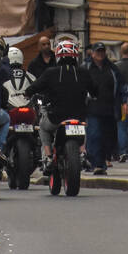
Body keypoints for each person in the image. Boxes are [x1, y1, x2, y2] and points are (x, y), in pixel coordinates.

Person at [26, 37, 92, 172]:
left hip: (56, 117)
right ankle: (82, 152)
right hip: (79, 117)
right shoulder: (84, 72)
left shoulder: (51, 72)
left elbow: (34, 87)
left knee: (43, 128)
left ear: (58, 56)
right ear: (75, 56)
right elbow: (95, 90)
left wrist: (27, 93)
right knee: (83, 127)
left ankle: (49, 156)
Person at [84, 42, 122, 174]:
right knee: (94, 135)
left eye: (102, 51)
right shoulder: (86, 68)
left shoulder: (112, 68)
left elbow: (121, 85)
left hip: (109, 108)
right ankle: (97, 164)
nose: (100, 54)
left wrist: (124, 102)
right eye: (98, 51)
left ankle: (102, 162)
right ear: (92, 53)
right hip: (92, 108)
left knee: (107, 138)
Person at [2, 46, 36, 110]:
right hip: (28, 108)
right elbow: (37, 85)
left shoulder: (2, 75)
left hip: (10, 108)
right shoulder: (29, 75)